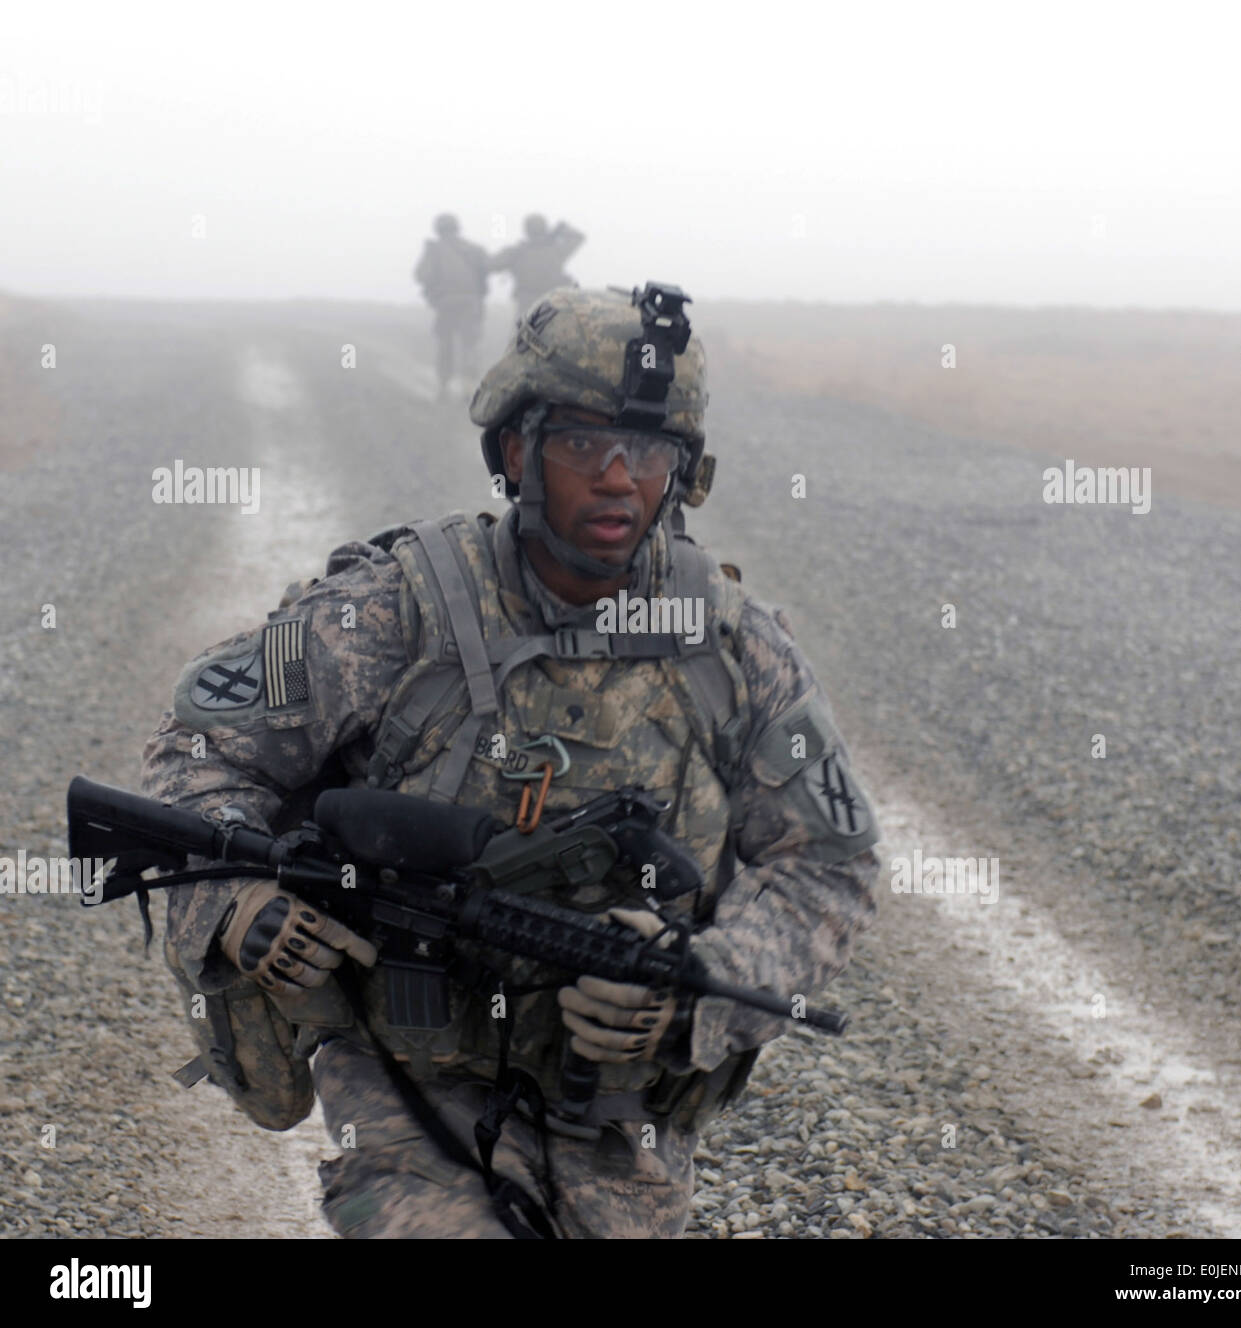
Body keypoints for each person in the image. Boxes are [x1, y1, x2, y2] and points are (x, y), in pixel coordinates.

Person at [141, 282, 880, 1239]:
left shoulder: (730, 648)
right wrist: (235, 903)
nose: (618, 478)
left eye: (649, 451)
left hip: (620, 1123)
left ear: (684, 471)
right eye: (582, 444)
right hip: (407, 1089)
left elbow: (829, 863)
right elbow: (197, 750)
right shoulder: (399, 610)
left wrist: (698, 980)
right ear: (516, 449)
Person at [413, 213, 488, 399]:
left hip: (445, 304)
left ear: (438, 229)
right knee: (469, 345)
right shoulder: (474, 249)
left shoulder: (435, 249)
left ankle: (444, 387)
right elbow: (485, 274)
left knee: (445, 345)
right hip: (471, 303)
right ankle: (469, 387)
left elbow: (422, 275)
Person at [489, 214, 585, 316]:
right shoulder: (555, 250)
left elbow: (492, 264)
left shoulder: (516, 252)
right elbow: (578, 237)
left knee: (525, 330)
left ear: (527, 230)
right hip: (553, 302)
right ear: (544, 228)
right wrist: (562, 230)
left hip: (529, 303)